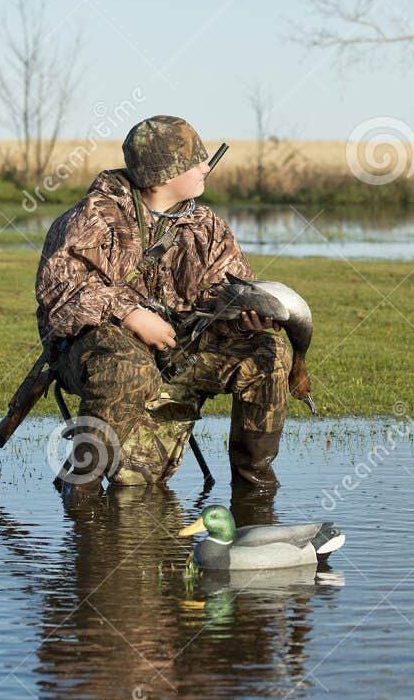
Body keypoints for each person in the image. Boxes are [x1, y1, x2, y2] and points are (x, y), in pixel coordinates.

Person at [35, 115, 290, 491]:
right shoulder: (93, 217)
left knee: (269, 353)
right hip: (95, 354)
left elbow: (223, 297)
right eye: (194, 162)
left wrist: (244, 320)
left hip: (179, 353)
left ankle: (255, 493)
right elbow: (61, 296)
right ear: (161, 176)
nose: (205, 167)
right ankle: (81, 494)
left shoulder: (207, 226)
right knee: (126, 365)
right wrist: (129, 314)